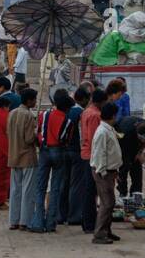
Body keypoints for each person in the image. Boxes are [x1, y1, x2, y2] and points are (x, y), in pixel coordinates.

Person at [30, 89, 73, 233]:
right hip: (59, 151)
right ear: (66, 107)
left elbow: (39, 132)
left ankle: (37, 222)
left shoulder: (45, 114)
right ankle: (50, 223)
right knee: (55, 188)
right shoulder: (68, 121)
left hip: (45, 150)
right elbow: (66, 140)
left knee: (40, 187)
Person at [90, 102, 123, 244]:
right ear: (113, 116)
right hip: (103, 172)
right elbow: (99, 154)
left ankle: (106, 230)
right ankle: (99, 233)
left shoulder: (108, 129)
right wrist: (103, 171)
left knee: (110, 202)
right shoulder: (102, 132)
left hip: (110, 171)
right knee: (106, 203)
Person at [74, 88, 105, 234]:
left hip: (86, 153)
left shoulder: (87, 111)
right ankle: (89, 222)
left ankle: (88, 221)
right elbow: (95, 139)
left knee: (89, 190)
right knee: (91, 190)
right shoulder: (94, 115)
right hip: (92, 155)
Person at [6, 87, 38, 229]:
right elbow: (30, 138)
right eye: (35, 99)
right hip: (27, 155)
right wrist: (37, 134)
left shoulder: (12, 113)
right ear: (29, 100)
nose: (36, 102)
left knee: (15, 189)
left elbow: (8, 133)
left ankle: (14, 220)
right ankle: (25, 220)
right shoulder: (29, 116)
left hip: (14, 153)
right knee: (27, 190)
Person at [63, 86, 90, 226]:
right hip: (77, 151)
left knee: (65, 182)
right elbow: (83, 135)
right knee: (77, 184)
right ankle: (74, 216)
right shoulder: (81, 113)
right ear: (84, 99)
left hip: (65, 150)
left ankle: (62, 215)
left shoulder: (67, 111)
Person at [114, 115, 145, 198]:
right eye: (143, 140)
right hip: (123, 145)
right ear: (138, 136)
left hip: (134, 143)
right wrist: (126, 160)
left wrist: (139, 152)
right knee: (124, 169)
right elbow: (119, 147)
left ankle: (136, 193)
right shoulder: (125, 132)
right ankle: (122, 193)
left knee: (137, 169)